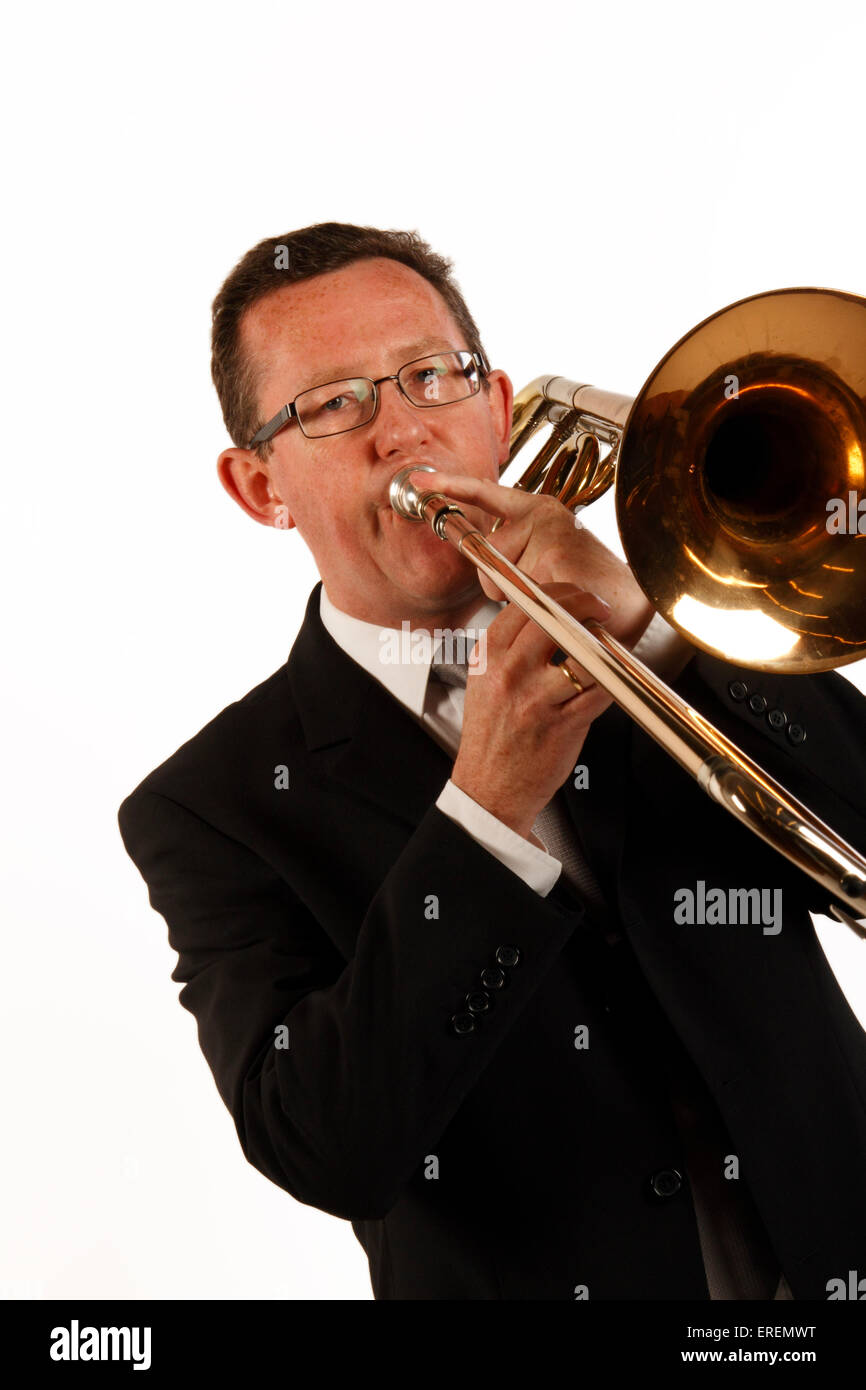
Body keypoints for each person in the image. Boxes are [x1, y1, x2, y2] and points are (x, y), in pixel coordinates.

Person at [118, 222, 866, 1300]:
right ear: (258, 488)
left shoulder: (674, 641)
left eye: (430, 376)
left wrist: (656, 628)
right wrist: (485, 806)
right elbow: (327, 1146)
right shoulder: (211, 807)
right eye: (333, 404)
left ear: (499, 405)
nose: (403, 433)